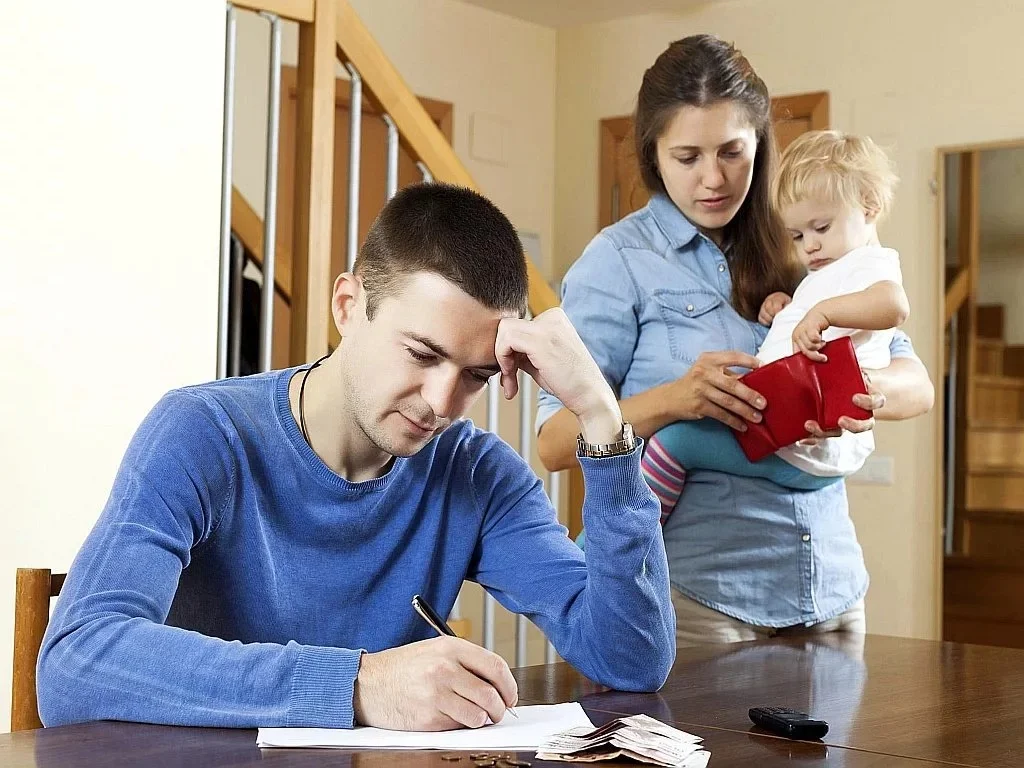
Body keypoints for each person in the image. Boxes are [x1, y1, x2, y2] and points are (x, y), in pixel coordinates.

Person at [37, 183, 675, 731]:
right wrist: (359, 683)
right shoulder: (203, 433)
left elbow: (631, 660)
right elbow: (77, 663)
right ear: (349, 306)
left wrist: (601, 417)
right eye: (422, 354)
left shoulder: (478, 474)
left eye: (476, 375)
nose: (441, 402)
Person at [537, 35, 933, 646]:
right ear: (652, 155)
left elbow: (915, 383)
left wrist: (854, 392)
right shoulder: (619, 260)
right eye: (687, 156)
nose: (713, 178)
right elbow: (556, 443)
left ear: (760, 144)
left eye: (732, 152)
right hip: (697, 608)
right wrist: (676, 399)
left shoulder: (807, 239)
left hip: (831, 594)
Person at [643, 130, 911, 519]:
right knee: (676, 437)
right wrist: (786, 308)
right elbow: (819, 317)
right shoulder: (829, 271)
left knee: (672, 443)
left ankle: (624, 550)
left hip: (805, 439)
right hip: (793, 427)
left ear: (869, 206)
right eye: (798, 236)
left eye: (821, 228)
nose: (809, 247)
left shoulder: (872, 263)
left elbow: (892, 304)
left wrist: (821, 312)